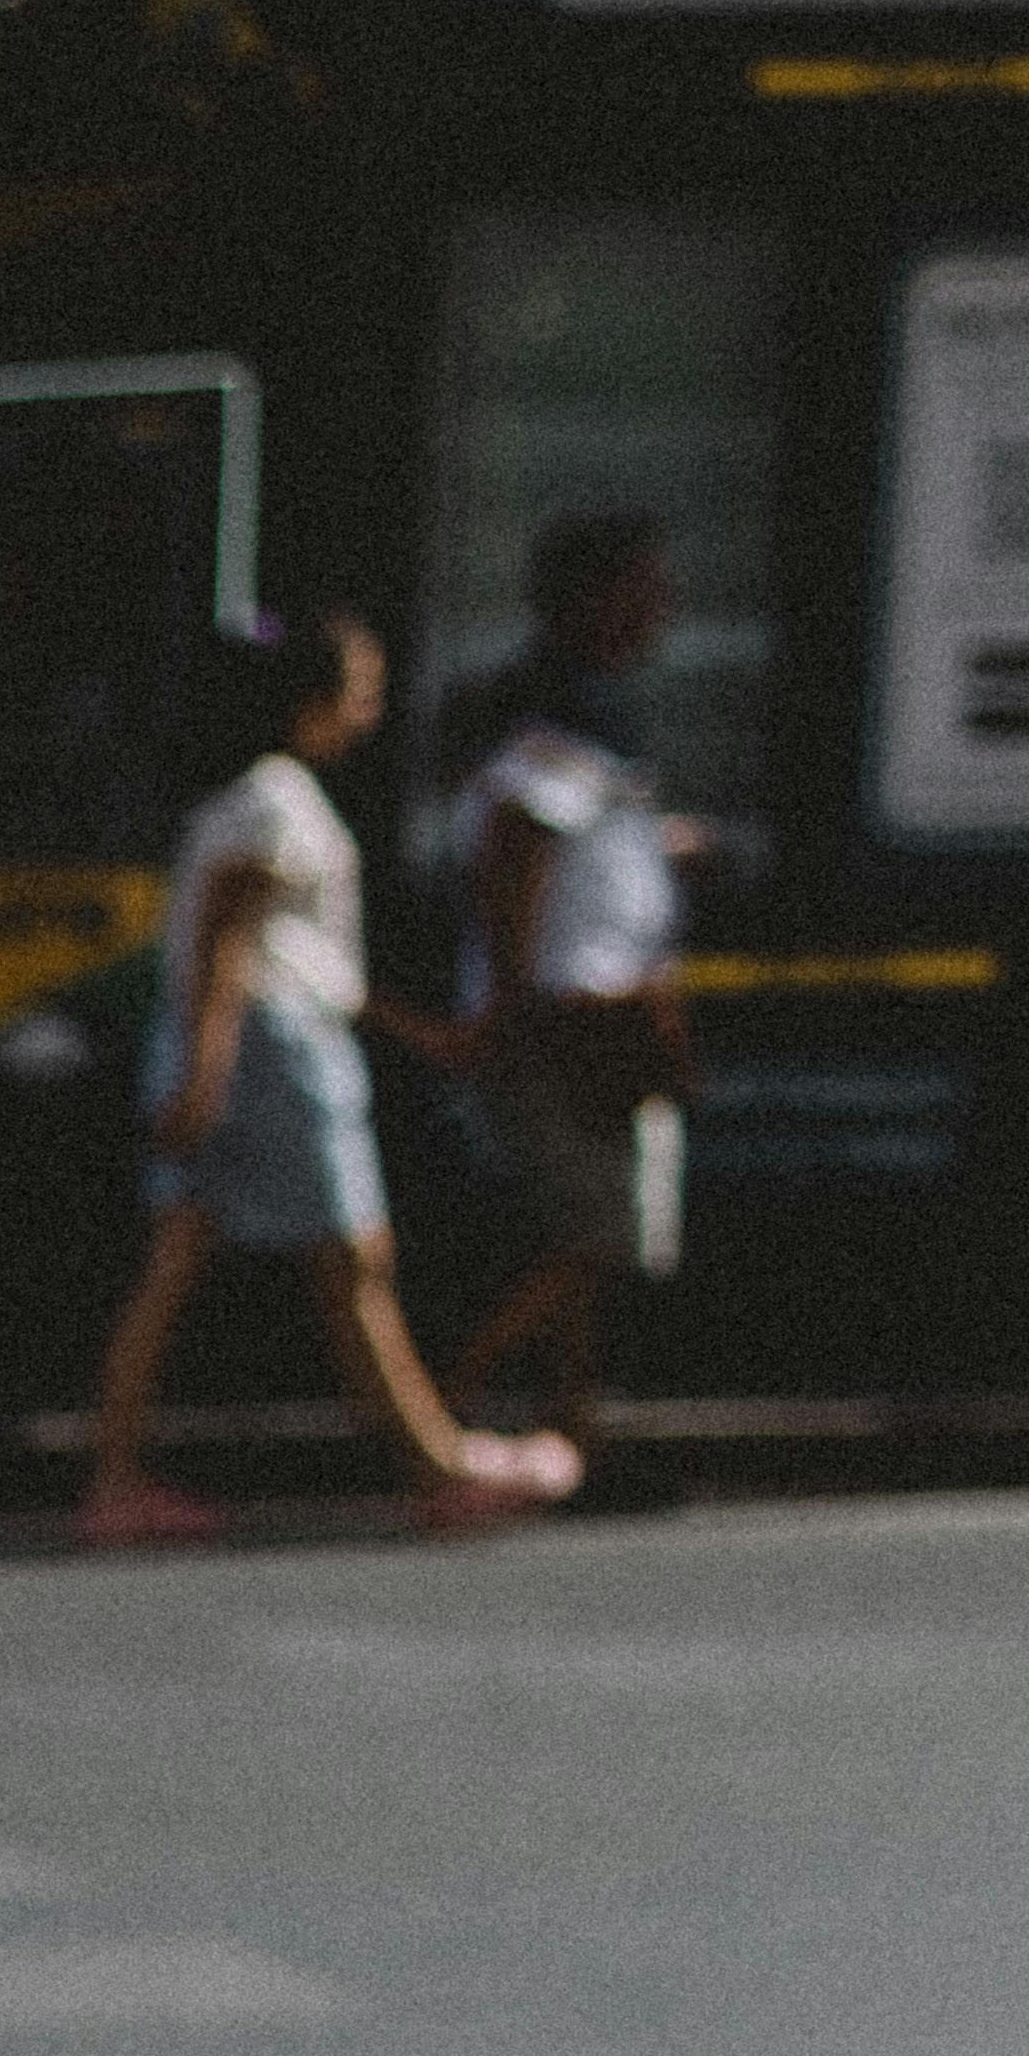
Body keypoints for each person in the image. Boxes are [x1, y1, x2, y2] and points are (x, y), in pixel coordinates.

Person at [69, 607, 568, 1544]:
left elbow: (296, 951)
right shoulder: (275, 801)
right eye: (361, 693)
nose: (369, 714)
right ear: (310, 703)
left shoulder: (252, 798)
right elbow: (232, 946)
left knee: (185, 1261)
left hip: (246, 1041)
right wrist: (211, 1078)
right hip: (270, 1054)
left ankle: (115, 1478)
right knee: (353, 1261)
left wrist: (412, 1033)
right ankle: (435, 1463)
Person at [435, 510, 694, 1439]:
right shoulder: (571, 712)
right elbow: (517, 845)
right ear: (592, 600)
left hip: (581, 1006)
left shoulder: (576, 708)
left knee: (573, 1229)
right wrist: (511, 1005)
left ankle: (569, 1416)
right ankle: (440, 1398)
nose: (664, 609)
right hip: (568, 1015)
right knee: (605, 1236)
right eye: (645, 588)